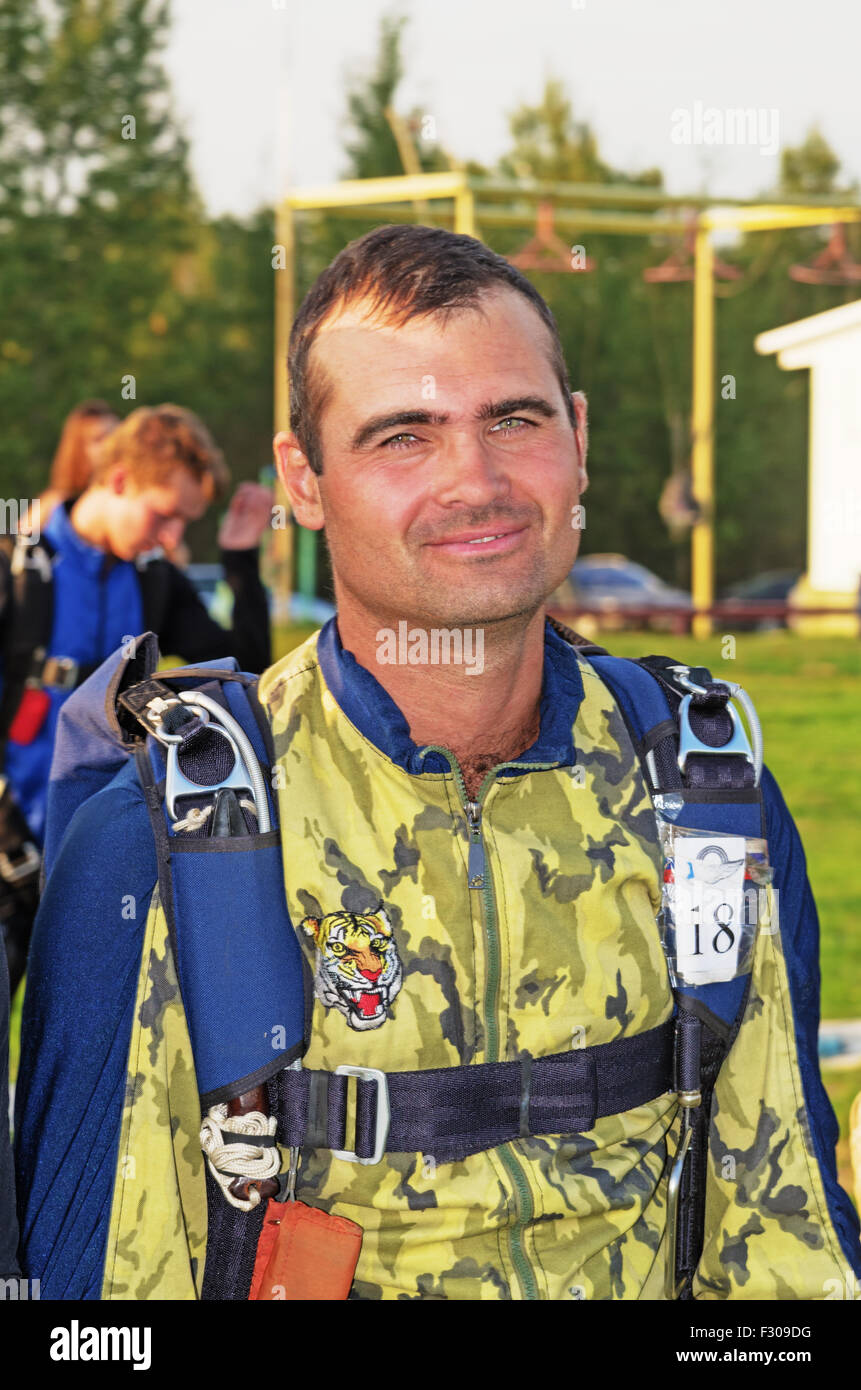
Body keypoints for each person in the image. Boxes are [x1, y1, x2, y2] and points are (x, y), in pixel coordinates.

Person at [14, 227, 861, 1300]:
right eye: (403, 435)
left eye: (515, 418)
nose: (476, 479)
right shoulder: (156, 843)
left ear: (580, 438)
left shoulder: (707, 799)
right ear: (305, 481)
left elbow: (792, 1248)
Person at [0, 403, 272, 993]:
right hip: (9, 852)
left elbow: (246, 671)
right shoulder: (17, 573)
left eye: (184, 525)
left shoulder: (152, 580)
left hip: (99, 865)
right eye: (165, 517)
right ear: (120, 480)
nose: (172, 540)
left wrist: (241, 561)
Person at [27, 399, 120, 534]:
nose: (111, 445)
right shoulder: (54, 505)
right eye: (99, 439)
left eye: (116, 435)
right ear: (78, 451)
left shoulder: (130, 502)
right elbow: (18, 549)